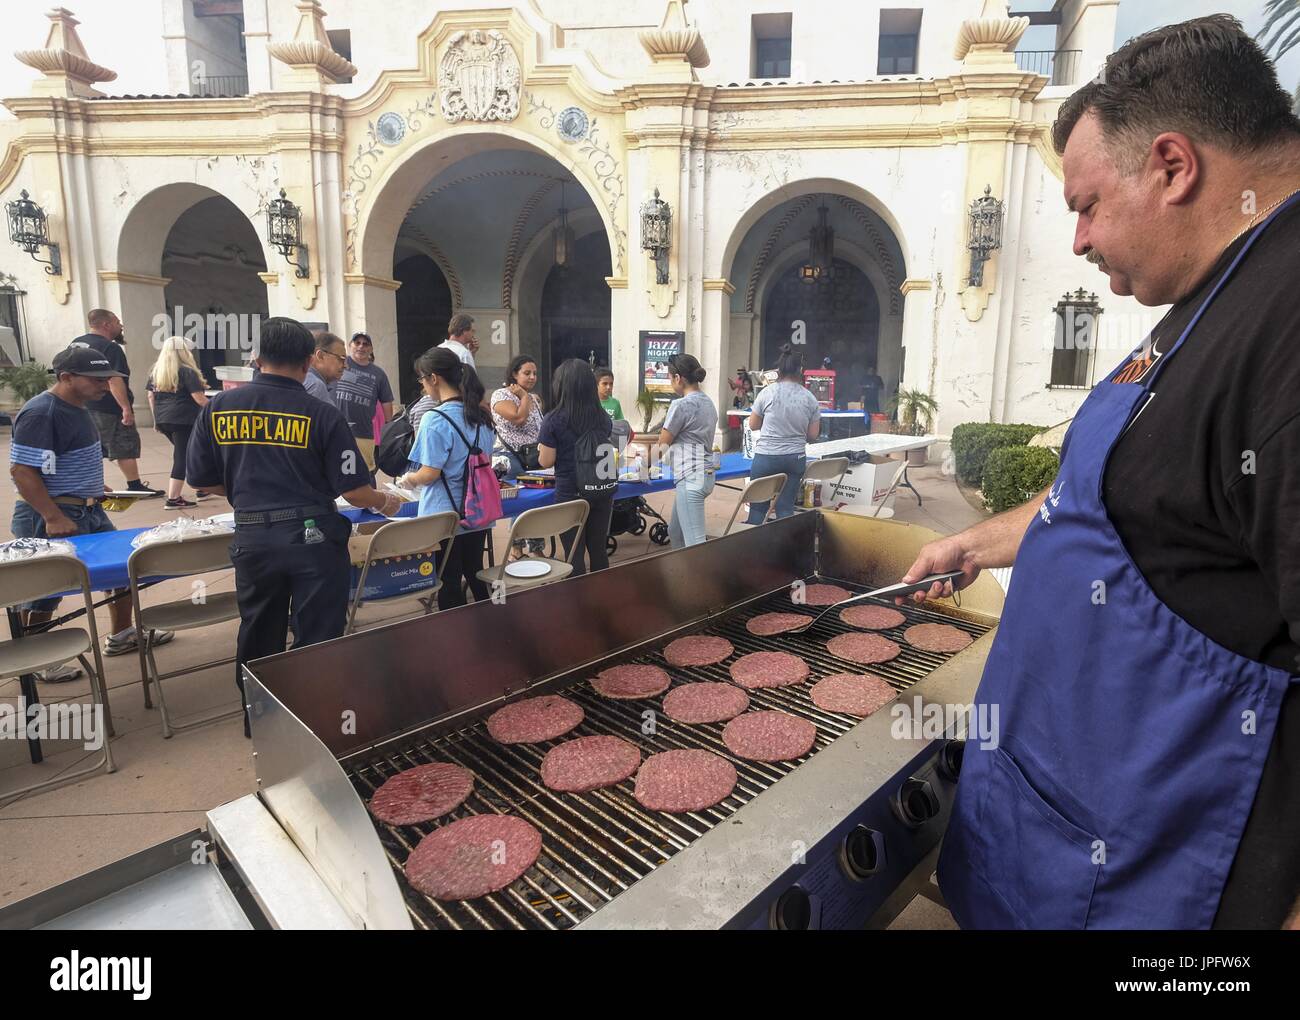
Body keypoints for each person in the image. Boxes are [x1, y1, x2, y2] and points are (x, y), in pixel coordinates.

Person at [901, 16, 1300, 930]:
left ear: (1172, 166)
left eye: (1084, 204)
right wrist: (975, 539)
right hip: (1058, 827)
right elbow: (1101, 497)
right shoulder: (1208, 297)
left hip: (1160, 882)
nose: (1076, 238)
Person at [187, 317, 401, 736]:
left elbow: (201, 479)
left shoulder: (218, 408)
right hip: (313, 538)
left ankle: (261, 720)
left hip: (253, 536)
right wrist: (386, 500)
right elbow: (356, 490)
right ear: (308, 361)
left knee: (258, 627)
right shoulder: (320, 413)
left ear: (257, 358)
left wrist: (246, 492)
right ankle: (315, 720)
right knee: (318, 629)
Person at [10, 346, 174, 677]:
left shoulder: (78, 407)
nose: (105, 384)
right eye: (96, 379)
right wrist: (53, 516)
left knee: (125, 569)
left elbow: (63, 461)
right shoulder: (43, 413)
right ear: (66, 378)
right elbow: (23, 471)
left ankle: (121, 634)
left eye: (108, 378)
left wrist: (93, 487)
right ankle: (38, 659)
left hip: (88, 509)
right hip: (53, 514)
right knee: (47, 587)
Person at [397, 348, 493, 610]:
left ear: (434, 378)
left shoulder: (434, 419)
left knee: (448, 580)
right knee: (476, 571)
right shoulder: (481, 416)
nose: (423, 385)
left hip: (444, 516)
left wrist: (409, 480)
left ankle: (455, 637)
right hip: (478, 511)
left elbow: (430, 473)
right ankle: (489, 625)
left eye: (422, 379)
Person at [69, 308, 162, 496]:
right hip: (107, 406)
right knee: (123, 445)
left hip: (82, 404)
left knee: (91, 446)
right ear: (107, 324)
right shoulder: (109, 348)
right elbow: (114, 379)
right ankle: (134, 485)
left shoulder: (76, 344)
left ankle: (87, 485)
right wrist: (126, 408)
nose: (121, 326)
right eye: (118, 323)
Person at [539, 360, 616, 575]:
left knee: (574, 553)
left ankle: (578, 603)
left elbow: (545, 461)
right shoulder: (602, 417)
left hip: (570, 494)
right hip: (601, 490)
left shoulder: (553, 420)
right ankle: (602, 597)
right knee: (598, 550)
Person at [746, 344, 821, 523]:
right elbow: (812, 435)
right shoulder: (809, 398)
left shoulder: (767, 393)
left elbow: (753, 425)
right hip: (795, 458)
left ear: (779, 370)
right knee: (786, 508)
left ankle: (754, 547)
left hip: (766, 458)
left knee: (758, 508)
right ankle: (783, 547)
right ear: (800, 370)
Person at [658, 353, 718, 549]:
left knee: (695, 545)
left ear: (678, 378)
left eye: (669, 377)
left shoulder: (680, 405)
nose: (670, 382)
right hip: (705, 476)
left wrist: (640, 466)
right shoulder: (708, 402)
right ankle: (681, 574)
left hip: (691, 477)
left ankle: (700, 579)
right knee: (675, 532)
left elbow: (662, 445)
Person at [145, 336, 210, 509]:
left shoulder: (156, 372)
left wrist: (156, 419)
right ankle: (173, 499)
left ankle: (202, 487)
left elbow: (151, 396)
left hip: (164, 418)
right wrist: (219, 407)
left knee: (191, 453)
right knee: (182, 457)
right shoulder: (187, 371)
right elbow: (199, 398)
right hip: (184, 418)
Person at [330, 331, 394, 477]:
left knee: (364, 472)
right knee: (337, 470)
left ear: (371, 349)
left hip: (362, 432)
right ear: (350, 345)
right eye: (357, 343)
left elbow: (386, 401)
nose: (361, 347)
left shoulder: (379, 374)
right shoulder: (339, 363)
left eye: (365, 344)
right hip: (335, 430)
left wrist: (388, 429)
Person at [303, 331, 346, 404]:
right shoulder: (316, 386)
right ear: (320, 356)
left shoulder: (303, 379)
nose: (345, 366)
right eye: (341, 359)